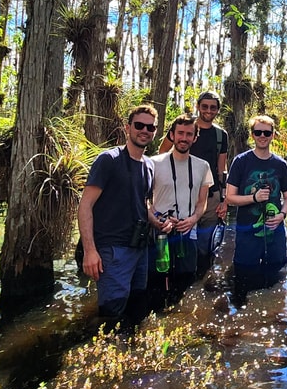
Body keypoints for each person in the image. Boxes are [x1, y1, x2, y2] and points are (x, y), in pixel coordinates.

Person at [78, 105, 159, 329]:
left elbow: (143, 203)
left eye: (150, 127)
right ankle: (99, 352)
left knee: (136, 305)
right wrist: (90, 251)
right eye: (139, 125)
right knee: (111, 312)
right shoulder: (109, 160)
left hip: (139, 248)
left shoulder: (149, 165)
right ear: (128, 128)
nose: (144, 130)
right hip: (112, 250)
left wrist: (158, 220)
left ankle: (128, 354)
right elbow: (85, 205)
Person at [225, 115, 287, 303]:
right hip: (248, 232)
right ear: (252, 135)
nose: (262, 136)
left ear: (273, 135)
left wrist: (282, 215)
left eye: (267, 132)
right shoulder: (241, 162)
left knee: (276, 282)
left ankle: (272, 317)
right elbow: (230, 198)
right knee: (243, 280)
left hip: (275, 232)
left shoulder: (280, 164)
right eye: (258, 132)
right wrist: (253, 198)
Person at [148, 114, 213, 308]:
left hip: (188, 231)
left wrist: (193, 219)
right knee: (157, 282)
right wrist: (155, 220)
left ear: (195, 138)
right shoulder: (153, 163)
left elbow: (202, 202)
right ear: (172, 135)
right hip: (161, 231)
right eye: (180, 133)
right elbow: (144, 200)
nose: (184, 138)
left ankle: (180, 320)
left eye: (188, 134)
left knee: (185, 281)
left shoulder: (202, 166)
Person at [169, 91, 229, 275]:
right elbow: (163, 155)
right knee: (181, 241)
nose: (208, 111)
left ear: (218, 110)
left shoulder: (221, 135)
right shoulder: (185, 129)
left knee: (207, 244)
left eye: (213, 107)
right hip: (183, 194)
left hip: (211, 196)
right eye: (204, 106)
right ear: (198, 106)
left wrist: (223, 199)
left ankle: (203, 279)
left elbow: (222, 167)